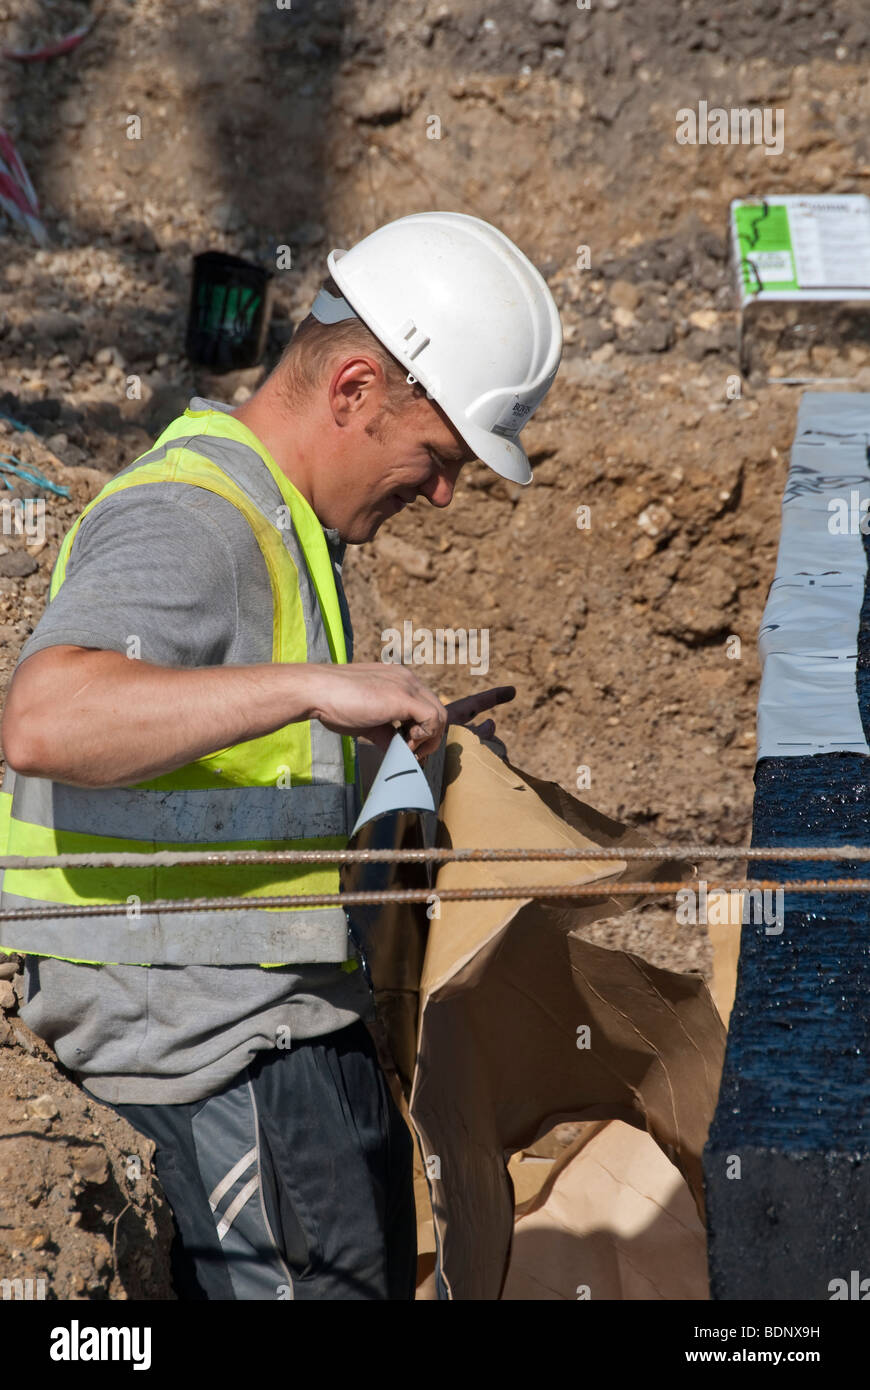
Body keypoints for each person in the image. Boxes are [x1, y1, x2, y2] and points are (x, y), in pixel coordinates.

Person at [0, 211, 562, 1300]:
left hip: (272, 1047)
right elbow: (46, 715)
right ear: (353, 390)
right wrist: (313, 687)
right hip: (218, 1068)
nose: (442, 493)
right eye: (437, 457)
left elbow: (225, 781)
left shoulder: (286, 524)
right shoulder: (193, 519)